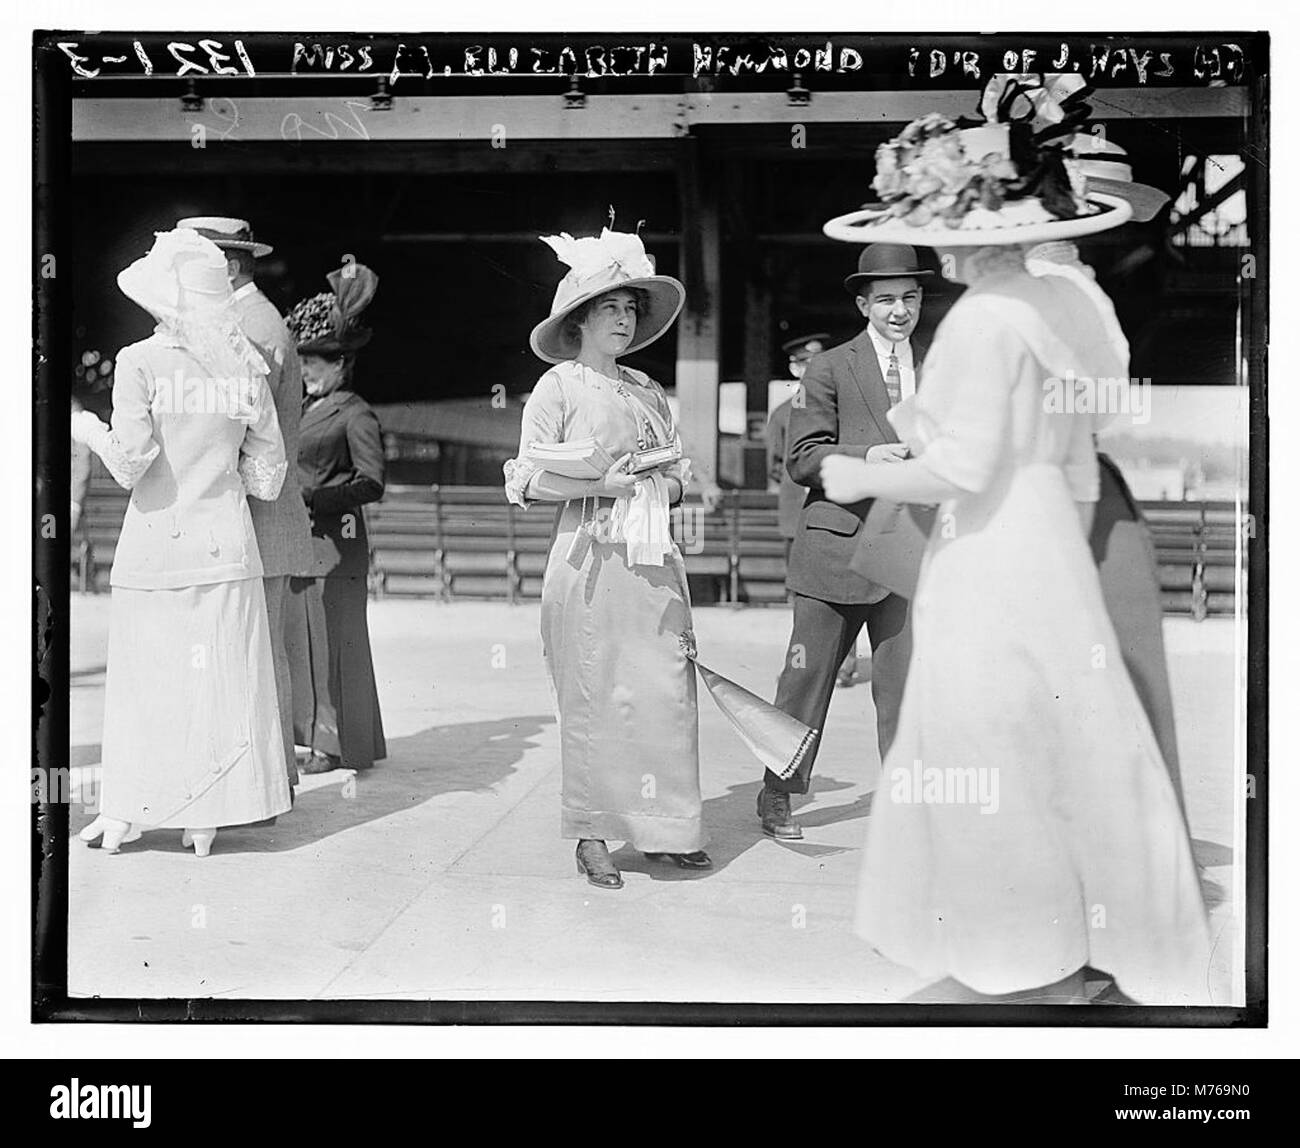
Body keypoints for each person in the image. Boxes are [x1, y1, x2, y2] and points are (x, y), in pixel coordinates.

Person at [819, 109, 1208, 1003]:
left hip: (989, 541)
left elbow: (960, 466)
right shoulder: (1074, 302)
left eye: (934, 236)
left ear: (966, 235)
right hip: (1052, 533)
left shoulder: (983, 320)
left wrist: (849, 474)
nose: (933, 258)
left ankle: (1011, 944)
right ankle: (1102, 933)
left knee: (983, 734)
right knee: (1074, 726)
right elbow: (1077, 453)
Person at [71, 228, 292, 857]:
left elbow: (132, 463)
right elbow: (268, 476)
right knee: (219, 682)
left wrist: (86, 428)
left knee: (147, 685)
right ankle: (206, 818)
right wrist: (220, 466)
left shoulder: (140, 362)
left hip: (154, 549)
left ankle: (126, 813)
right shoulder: (245, 366)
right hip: (225, 546)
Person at [504, 225, 708, 890]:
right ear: (581, 320)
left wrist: (660, 484)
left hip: (652, 558)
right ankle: (592, 832)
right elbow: (527, 481)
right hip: (590, 554)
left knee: (661, 689)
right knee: (594, 692)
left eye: (630, 310)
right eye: (609, 309)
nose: (622, 321)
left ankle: (665, 829)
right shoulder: (557, 388)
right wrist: (603, 484)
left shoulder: (649, 390)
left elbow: (686, 475)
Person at [759, 244, 930, 842]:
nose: (899, 310)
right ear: (863, 304)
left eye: (909, 298)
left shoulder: (941, 369)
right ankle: (778, 793)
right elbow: (801, 458)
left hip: (911, 554)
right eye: (885, 299)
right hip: (837, 549)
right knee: (806, 680)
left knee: (905, 688)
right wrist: (866, 456)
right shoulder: (828, 368)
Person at [177, 217, 315, 800]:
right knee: (260, 649)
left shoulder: (247, 326)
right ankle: (269, 774)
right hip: (266, 512)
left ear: (228, 265)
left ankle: (266, 778)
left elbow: (234, 428)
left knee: (254, 651)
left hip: (256, 513)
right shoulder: (255, 318)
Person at [284, 261, 387, 775]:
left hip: (339, 544)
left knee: (337, 641)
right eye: (304, 362)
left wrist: (313, 498)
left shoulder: (355, 412)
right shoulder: (303, 409)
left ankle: (338, 743)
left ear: (341, 363)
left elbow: (372, 482)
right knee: (308, 641)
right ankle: (318, 736)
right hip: (305, 544)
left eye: (317, 362)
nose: (307, 370)